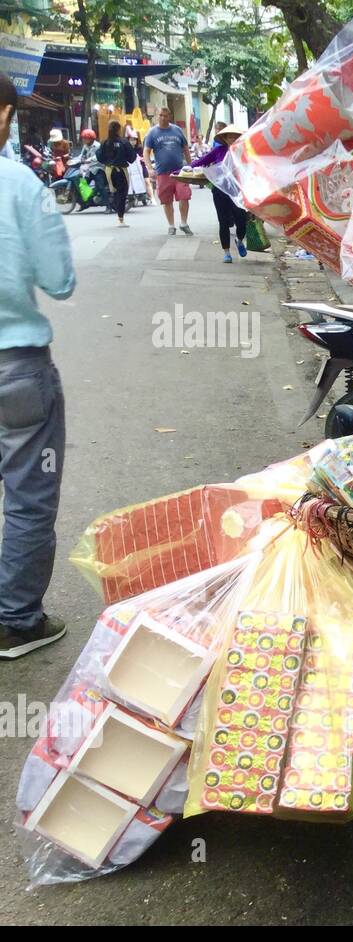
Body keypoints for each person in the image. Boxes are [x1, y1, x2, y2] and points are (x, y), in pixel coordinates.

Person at [0, 72, 76, 659]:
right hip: (15, 368)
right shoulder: (20, 183)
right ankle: (17, 621)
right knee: (27, 498)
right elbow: (59, 279)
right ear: (3, 115)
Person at [190, 122, 248, 263]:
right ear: (225, 138)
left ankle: (239, 240)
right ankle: (226, 253)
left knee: (241, 221)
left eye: (235, 137)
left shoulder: (245, 152)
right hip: (220, 190)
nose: (232, 139)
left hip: (237, 191)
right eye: (230, 137)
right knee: (223, 222)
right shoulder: (218, 151)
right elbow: (200, 162)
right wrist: (186, 168)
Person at [144, 108, 193, 236]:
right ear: (157, 116)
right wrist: (150, 168)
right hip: (162, 172)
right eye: (160, 115)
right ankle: (171, 225)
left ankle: (183, 223)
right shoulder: (152, 133)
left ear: (169, 116)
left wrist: (191, 165)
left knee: (184, 196)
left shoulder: (177, 130)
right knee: (167, 200)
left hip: (179, 172)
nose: (163, 118)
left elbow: (185, 148)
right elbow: (146, 152)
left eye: (165, 116)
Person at [98, 120, 137, 227]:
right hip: (121, 171)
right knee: (122, 194)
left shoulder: (105, 142)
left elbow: (99, 157)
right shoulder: (124, 142)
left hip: (109, 171)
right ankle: (120, 219)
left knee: (113, 191)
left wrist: (108, 162)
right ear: (119, 129)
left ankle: (113, 209)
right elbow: (132, 158)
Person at [126, 130, 149, 205]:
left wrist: (142, 159)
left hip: (140, 167)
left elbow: (143, 157)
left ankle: (147, 196)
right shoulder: (126, 148)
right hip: (130, 168)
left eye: (134, 140)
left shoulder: (139, 148)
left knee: (145, 181)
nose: (133, 142)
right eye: (131, 140)